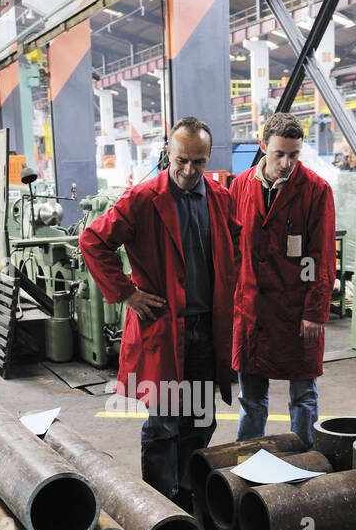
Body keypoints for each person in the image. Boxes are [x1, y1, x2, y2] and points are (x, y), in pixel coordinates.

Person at [80, 116, 241, 509]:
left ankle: (186, 494)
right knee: (164, 423)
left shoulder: (220, 199)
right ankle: (156, 505)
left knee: (200, 420)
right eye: (182, 160)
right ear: (168, 154)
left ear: (209, 158)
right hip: (166, 331)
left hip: (205, 331)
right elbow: (93, 240)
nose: (189, 170)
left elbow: (235, 250)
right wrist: (126, 293)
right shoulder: (142, 198)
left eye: (198, 161)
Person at [230, 112, 336, 450]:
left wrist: (315, 312)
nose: (287, 163)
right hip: (252, 310)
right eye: (279, 154)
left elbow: (321, 257)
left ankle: (304, 455)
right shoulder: (240, 186)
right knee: (251, 396)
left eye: (294, 154)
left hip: (296, 312)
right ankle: (247, 456)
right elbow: (233, 250)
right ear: (263, 147)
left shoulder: (316, 191)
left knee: (303, 395)